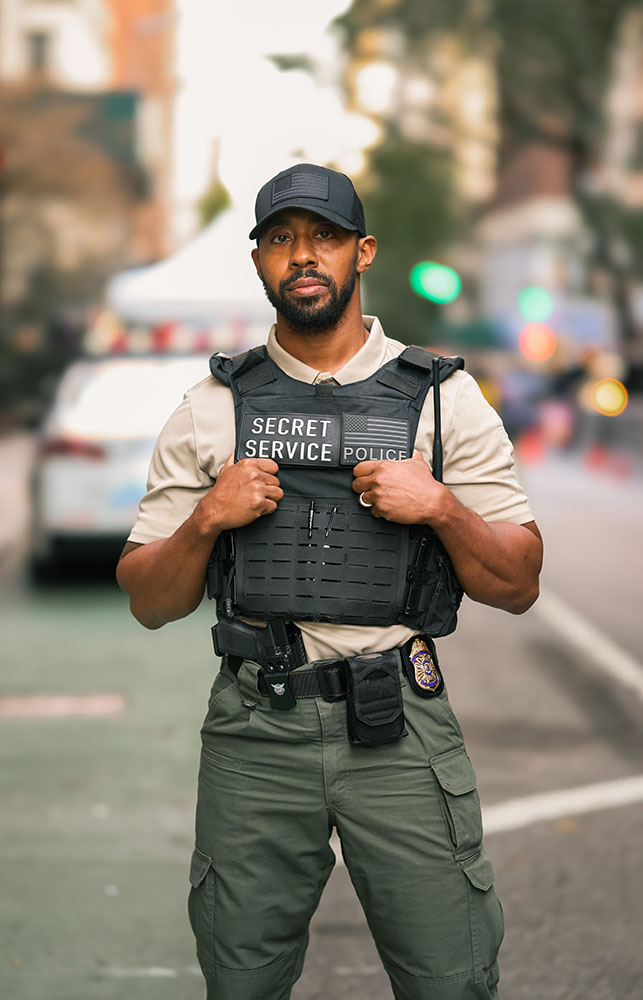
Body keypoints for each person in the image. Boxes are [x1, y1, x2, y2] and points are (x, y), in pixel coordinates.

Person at [117, 162, 543, 1000]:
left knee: (449, 979)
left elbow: (518, 583)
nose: (303, 257)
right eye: (281, 240)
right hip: (253, 730)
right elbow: (149, 600)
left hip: (398, 728)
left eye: (324, 238)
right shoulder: (212, 402)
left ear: (362, 252)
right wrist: (207, 517)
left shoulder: (443, 401)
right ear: (259, 263)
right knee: (240, 981)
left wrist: (440, 508)